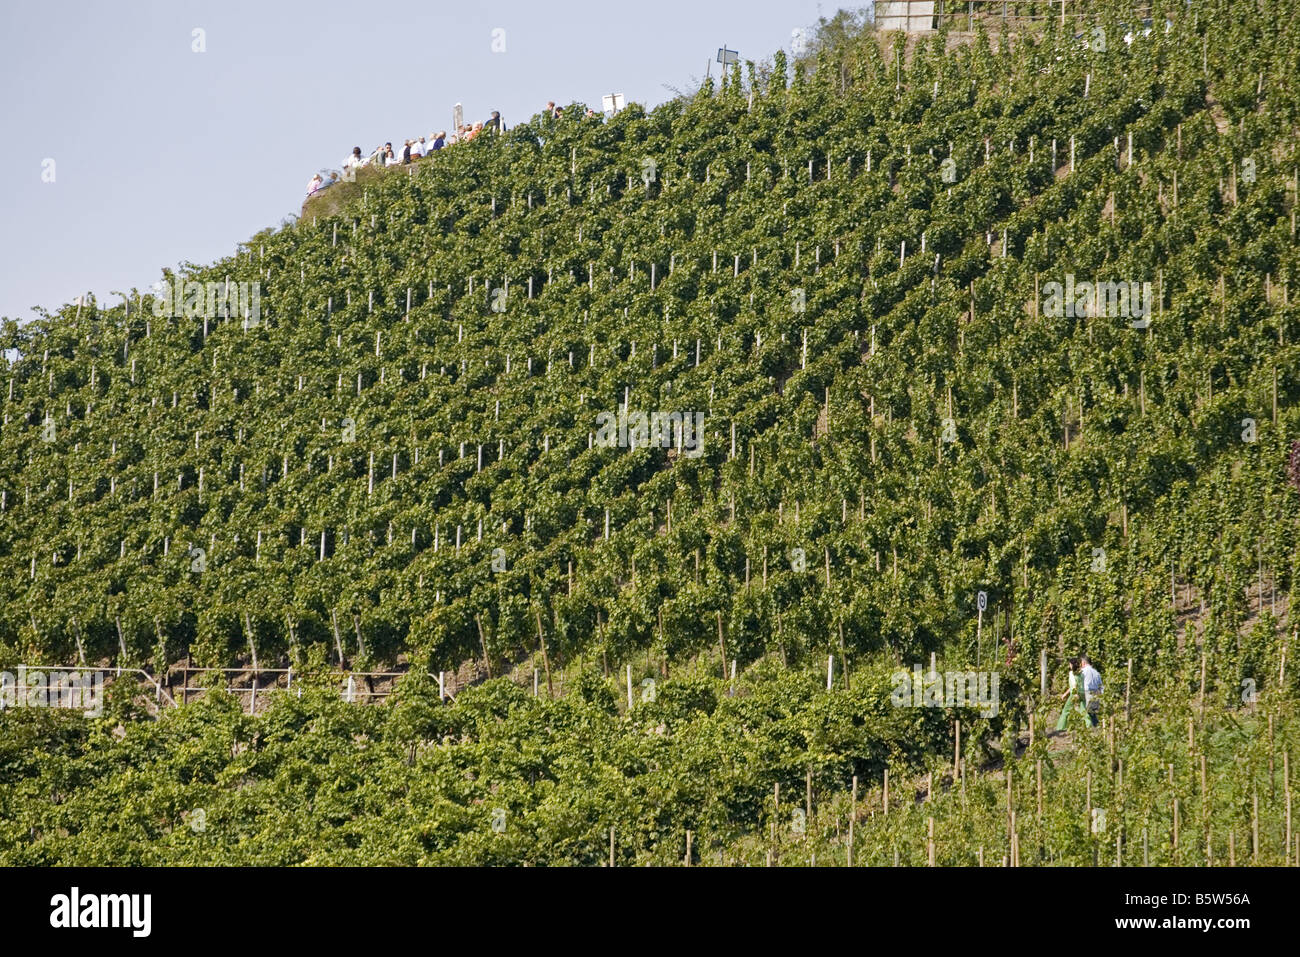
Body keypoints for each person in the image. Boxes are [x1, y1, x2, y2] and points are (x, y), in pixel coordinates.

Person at [1055, 657, 1085, 732]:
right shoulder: (1081, 672)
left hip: (1075, 694)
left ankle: (1060, 727)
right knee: (1083, 710)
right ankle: (1086, 726)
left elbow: (1074, 685)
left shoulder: (1071, 673)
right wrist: (1065, 694)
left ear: (1071, 665)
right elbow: (1072, 686)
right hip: (1082, 693)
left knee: (1066, 711)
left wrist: (1075, 694)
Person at [1080, 655, 1102, 726]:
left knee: (1089, 712)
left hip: (1088, 692)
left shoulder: (1083, 671)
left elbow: (1080, 682)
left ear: (1083, 662)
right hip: (1096, 692)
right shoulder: (1096, 672)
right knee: (1093, 711)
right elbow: (1100, 685)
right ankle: (1096, 726)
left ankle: (1094, 726)